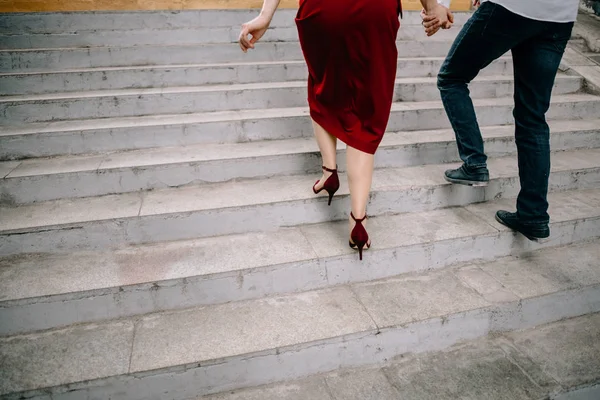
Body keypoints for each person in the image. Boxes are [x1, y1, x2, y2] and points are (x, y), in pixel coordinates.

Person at [239, 0, 452, 260]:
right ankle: (358, 221)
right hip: (376, 10)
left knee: (323, 85)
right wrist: (433, 7)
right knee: (367, 112)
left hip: (323, 9)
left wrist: (265, 16)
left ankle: (329, 171)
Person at [423, 0, 580, 241]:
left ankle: (474, 163)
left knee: (451, 78)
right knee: (533, 117)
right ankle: (533, 215)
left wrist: (440, 5)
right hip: (560, 16)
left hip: (513, 7)